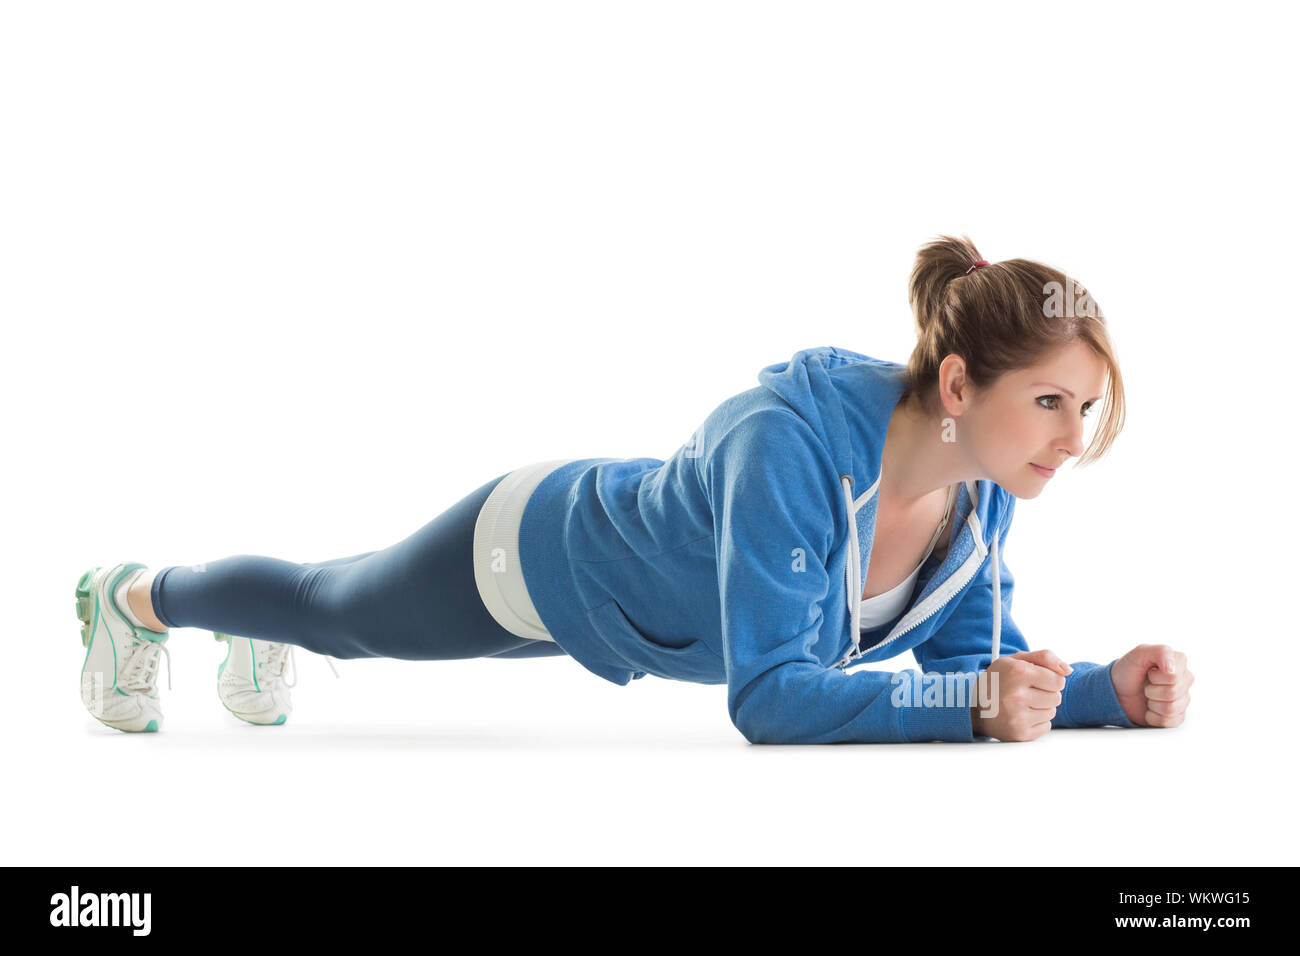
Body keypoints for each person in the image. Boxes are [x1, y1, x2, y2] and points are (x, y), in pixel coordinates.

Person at [75, 234, 1193, 742]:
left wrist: (1102, 690)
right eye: (1049, 402)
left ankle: (247, 628)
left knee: (336, 618)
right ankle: (136, 598)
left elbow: (968, 666)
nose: (1071, 437)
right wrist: (971, 712)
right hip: (535, 552)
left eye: (1085, 410)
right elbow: (771, 696)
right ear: (957, 379)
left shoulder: (982, 495)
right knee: (339, 614)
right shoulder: (788, 450)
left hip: (630, 620)